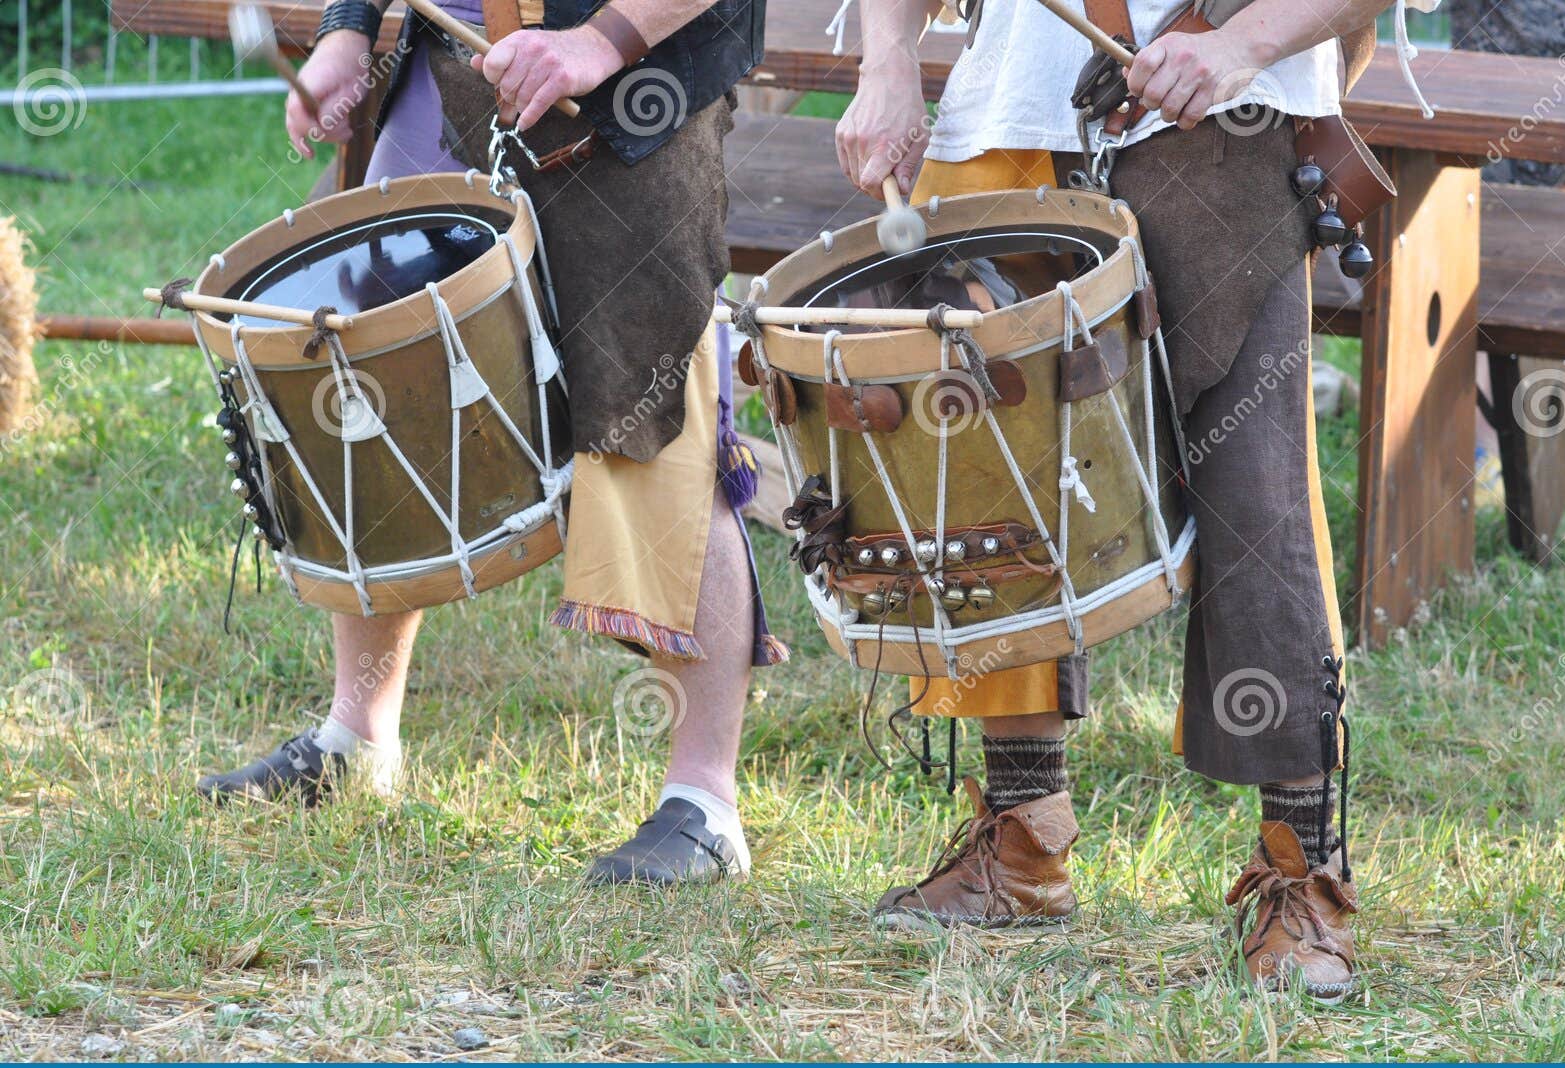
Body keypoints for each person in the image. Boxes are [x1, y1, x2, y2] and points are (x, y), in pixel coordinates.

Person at [834, 0, 1437, 1001]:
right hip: (1006, 113)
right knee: (991, 486)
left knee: (1253, 497)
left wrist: (1239, 44)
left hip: (1220, 112)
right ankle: (1021, 843)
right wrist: (888, 58)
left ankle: (1304, 880)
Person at [198, 0, 785, 889]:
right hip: (446, 75)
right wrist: (349, 29)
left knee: (658, 414)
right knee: (377, 376)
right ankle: (358, 738)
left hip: (632, 92)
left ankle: (703, 804)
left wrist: (599, 41)